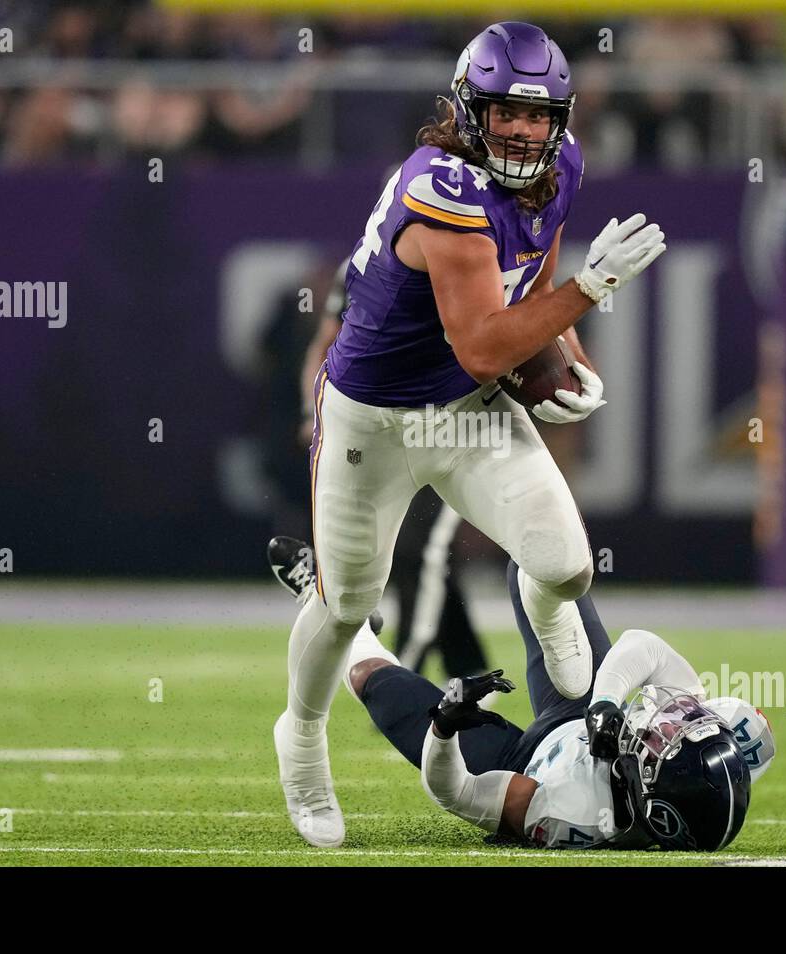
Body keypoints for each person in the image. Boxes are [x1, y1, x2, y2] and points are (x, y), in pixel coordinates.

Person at [276, 19, 666, 849]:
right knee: (348, 602)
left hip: (467, 407)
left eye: (539, 116)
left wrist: (567, 355)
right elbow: (486, 339)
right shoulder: (442, 188)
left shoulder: (560, 169)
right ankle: (301, 736)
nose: (525, 132)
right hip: (374, 419)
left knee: (563, 565)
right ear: (466, 109)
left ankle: (547, 615)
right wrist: (593, 289)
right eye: (505, 113)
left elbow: (530, 280)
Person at [269, 537, 775, 850]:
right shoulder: (730, 740)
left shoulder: (566, 810)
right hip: (582, 709)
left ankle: (327, 602)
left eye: (660, 740)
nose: (664, 720)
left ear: (647, 791)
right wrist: (602, 706)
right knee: (543, 560)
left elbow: (458, 793)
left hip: (527, 757)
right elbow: (642, 648)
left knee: (371, 679)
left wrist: (444, 727)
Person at [295, 255, 490, 679]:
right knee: (408, 553)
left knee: (425, 552)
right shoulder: (360, 267)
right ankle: (469, 666)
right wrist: (314, 411)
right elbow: (327, 342)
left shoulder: (469, 256)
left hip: (445, 427)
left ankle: (407, 671)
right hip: (378, 430)